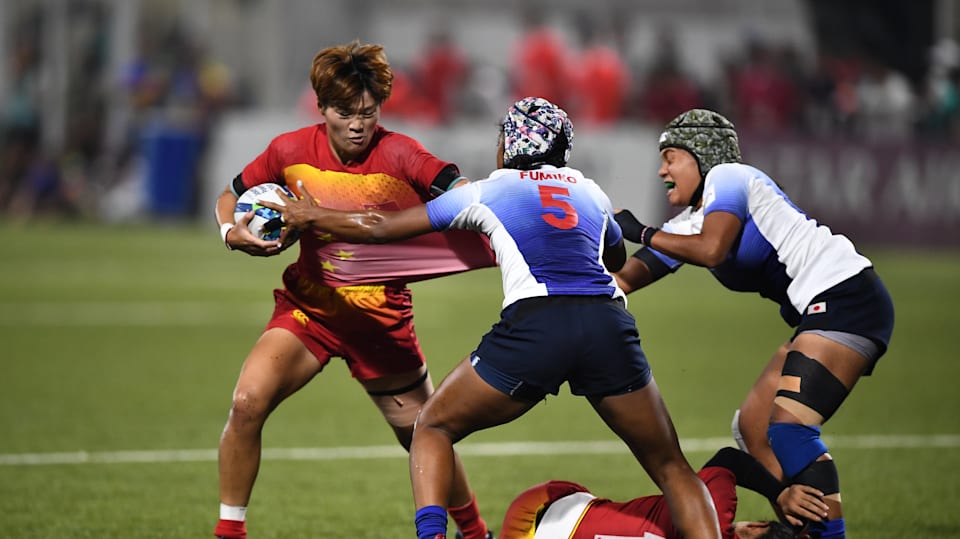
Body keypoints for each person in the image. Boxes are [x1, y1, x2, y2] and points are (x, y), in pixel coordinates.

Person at [262, 96, 723, 539]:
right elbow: (615, 259)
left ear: (509, 144)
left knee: (432, 427)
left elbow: (381, 227)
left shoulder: (489, 190)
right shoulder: (591, 192)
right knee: (671, 466)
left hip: (538, 325)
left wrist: (313, 215)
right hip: (608, 324)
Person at [212, 40, 497, 539]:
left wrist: (468, 196)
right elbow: (230, 195)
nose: (358, 125)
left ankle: (475, 534)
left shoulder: (400, 153)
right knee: (246, 403)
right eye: (344, 113)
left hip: (380, 322)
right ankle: (229, 533)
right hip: (310, 309)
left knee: (424, 435)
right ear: (322, 107)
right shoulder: (289, 150)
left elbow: (457, 187)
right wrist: (231, 232)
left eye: (368, 112)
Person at [613, 109, 895, 538]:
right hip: (824, 308)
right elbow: (623, 281)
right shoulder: (690, 222)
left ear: (703, 156)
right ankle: (802, 526)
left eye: (671, 158)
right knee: (753, 430)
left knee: (791, 429)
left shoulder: (729, 176)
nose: (661, 171)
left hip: (846, 296)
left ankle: (828, 535)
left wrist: (640, 230)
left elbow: (711, 249)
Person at [498, 446, 829, 539]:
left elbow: (728, 460)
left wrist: (779, 494)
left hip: (537, 511)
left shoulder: (715, 514)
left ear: (757, 527)